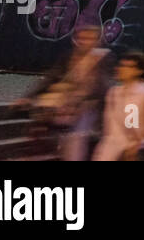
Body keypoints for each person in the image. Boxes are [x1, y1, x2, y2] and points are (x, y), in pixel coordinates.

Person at [17, 24, 113, 161]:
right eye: (82, 38)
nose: (84, 42)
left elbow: (104, 86)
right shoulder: (69, 56)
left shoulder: (103, 59)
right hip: (64, 106)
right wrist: (28, 97)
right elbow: (51, 77)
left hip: (87, 108)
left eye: (89, 38)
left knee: (76, 142)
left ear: (97, 41)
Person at [93, 52, 144, 161]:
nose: (121, 69)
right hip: (109, 145)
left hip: (132, 145)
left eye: (128, 66)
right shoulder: (114, 92)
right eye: (121, 65)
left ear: (139, 71)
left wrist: (136, 145)